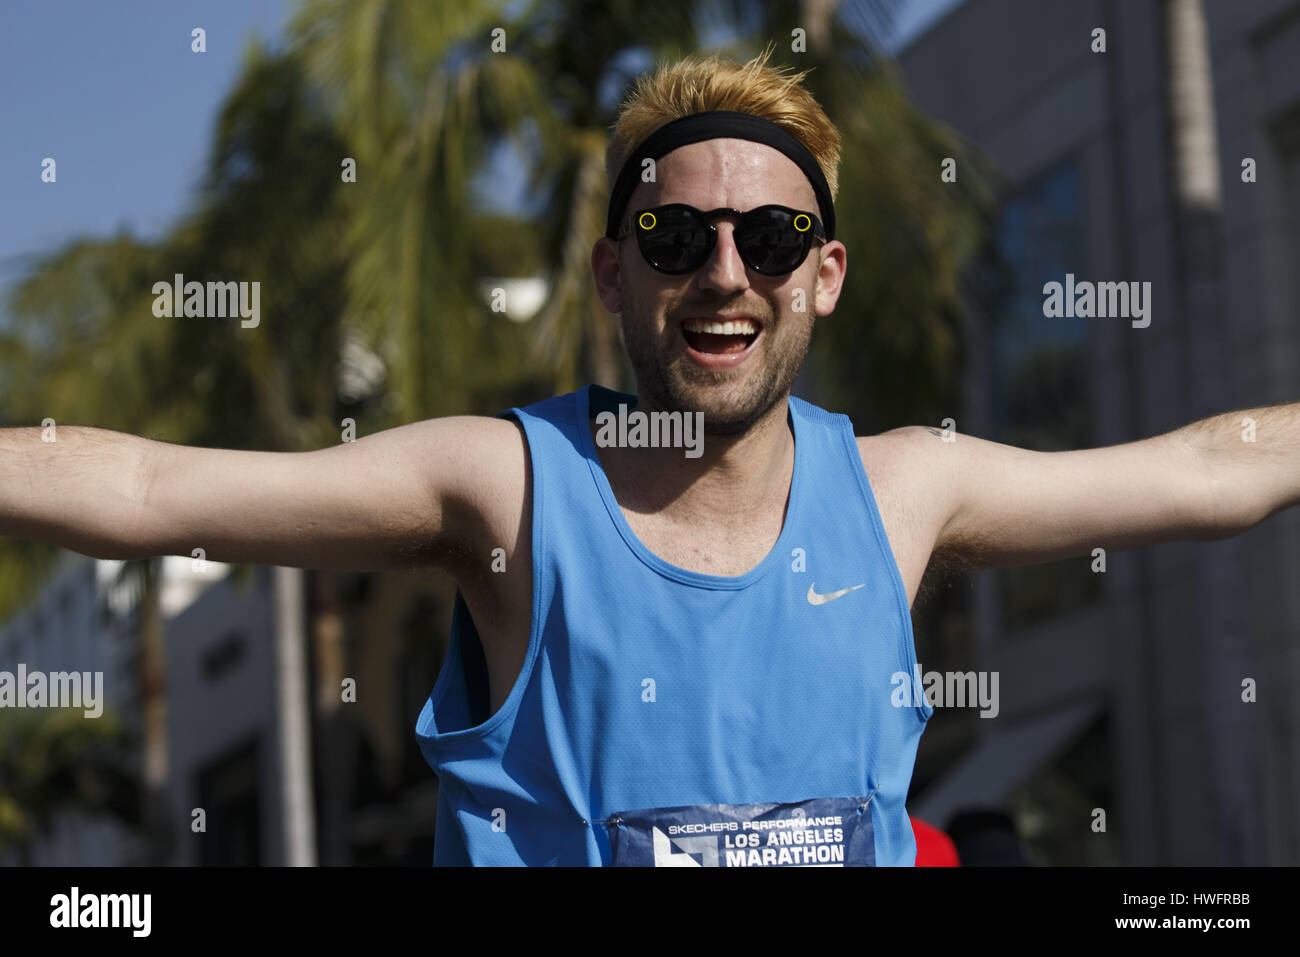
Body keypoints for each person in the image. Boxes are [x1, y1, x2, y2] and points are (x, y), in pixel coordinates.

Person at [1, 50, 1296, 867]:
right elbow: (154, 487)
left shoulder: (905, 490)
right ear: (616, 273)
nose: (725, 274)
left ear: (824, 276)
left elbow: (1209, 466)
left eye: (772, 238)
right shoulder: (507, 487)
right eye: (678, 236)